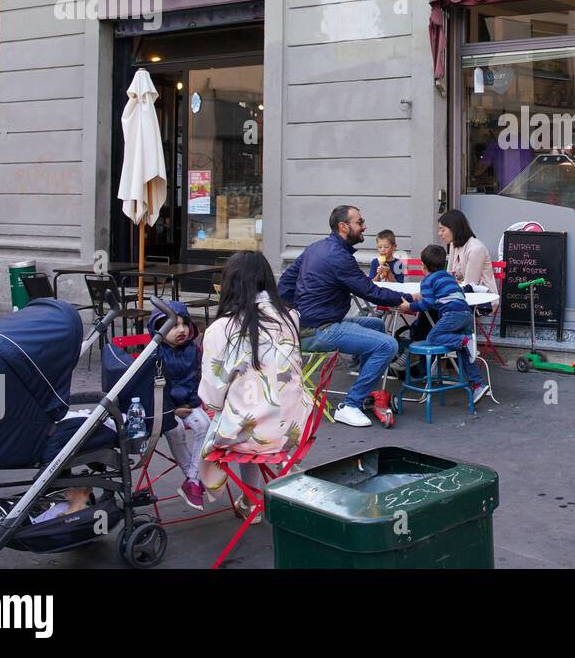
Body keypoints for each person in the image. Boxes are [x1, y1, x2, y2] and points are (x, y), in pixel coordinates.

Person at [198, 251, 310, 519]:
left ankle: (242, 497)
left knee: (224, 420)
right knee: (250, 413)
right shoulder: (291, 316)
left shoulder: (221, 329)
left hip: (252, 435)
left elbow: (211, 396)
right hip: (297, 427)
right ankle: (256, 496)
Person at [278, 205, 412, 427]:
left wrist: (295, 314)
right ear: (343, 226)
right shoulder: (338, 256)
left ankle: (363, 389)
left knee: (376, 325)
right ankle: (351, 405)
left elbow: (285, 283)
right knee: (388, 346)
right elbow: (370, 291)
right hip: (319, 329)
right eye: (359, 222)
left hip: (313, 323)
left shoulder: (317, 248)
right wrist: (405, 299)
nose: (364, 226)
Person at [146, 301, 211, 511]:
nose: (181, 330)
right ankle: (192, 477)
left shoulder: (193, 350)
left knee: (205, 424)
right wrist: (171, 410)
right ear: (159, 329)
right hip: (163, 407)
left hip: (188, 402)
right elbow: (151, 388)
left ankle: (192, 480)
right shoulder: (154, 354)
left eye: (184, 324)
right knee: (176, 429)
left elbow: (198, 379)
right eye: (174, 326)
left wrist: (191, 402)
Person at [407, 245, 490, 402]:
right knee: (465, 353)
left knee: (433, 337)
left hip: (451, 315)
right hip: (466, 314)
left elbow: (427, 304)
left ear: (423, 266)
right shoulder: (449, 277)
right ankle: (478, 385)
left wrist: (409, 306)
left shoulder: (426, 281)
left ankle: (465, 341)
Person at [438, 209, 498, 295]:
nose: (439, 233)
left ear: (454, 229)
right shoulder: (453, 244)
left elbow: (470, 285)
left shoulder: (476, 249)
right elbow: (449, 274)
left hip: (483, 298)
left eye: (442, 230)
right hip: (460, 293)